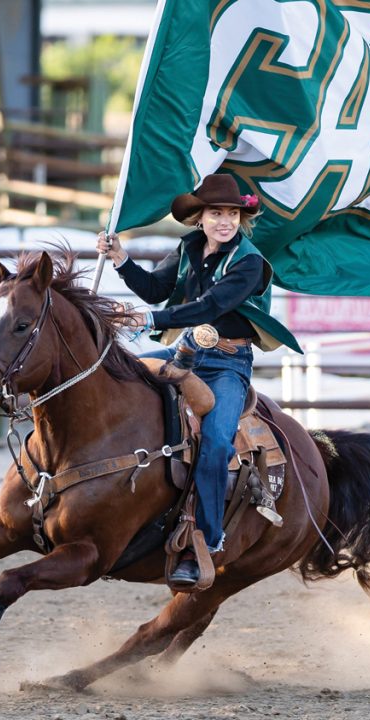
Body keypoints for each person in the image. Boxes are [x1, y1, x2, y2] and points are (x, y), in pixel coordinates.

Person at [97, 173, 301, 588]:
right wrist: (120, 258)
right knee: (118, 377)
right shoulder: (188, 248)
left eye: (232, 214)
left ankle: (207, 537)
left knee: (216, 441)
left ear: (241, 219)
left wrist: (149, 320)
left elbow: (210, 306)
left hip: (228, 364)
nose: (224, 222)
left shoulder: (249, 262)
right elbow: (154, 288)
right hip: (186, 352)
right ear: (200, 218)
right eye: (216, 214)